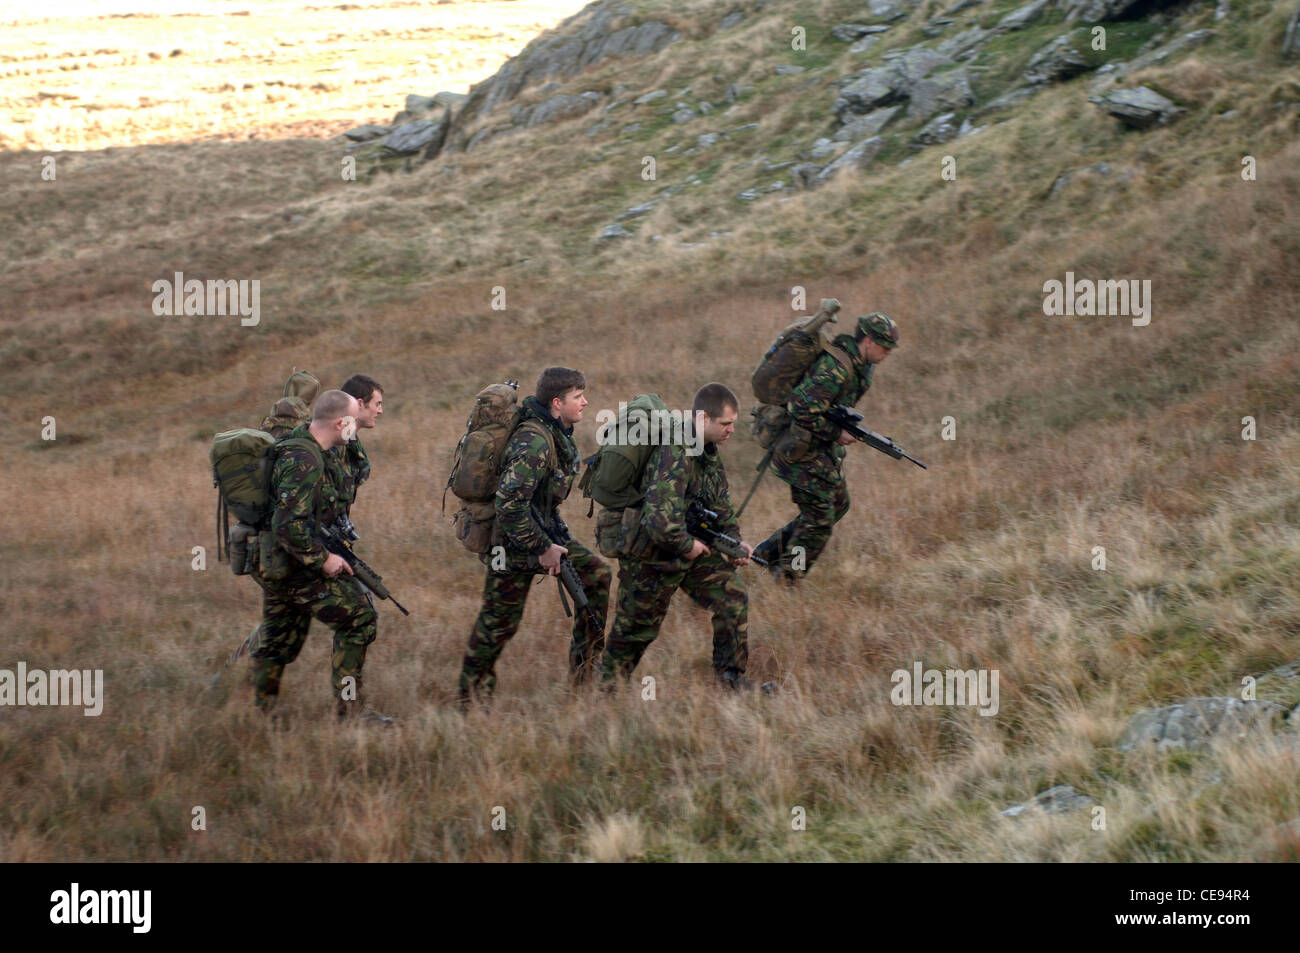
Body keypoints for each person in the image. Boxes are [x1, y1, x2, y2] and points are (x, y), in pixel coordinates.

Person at [598, 383, 771, 692]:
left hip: (689, 545)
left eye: (733, 423)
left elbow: (719, 501)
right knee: (637, 628)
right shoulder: (674, 450)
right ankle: (606, 688)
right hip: (650, 552)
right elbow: (659, 520)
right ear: (704, 418)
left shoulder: (707, 449)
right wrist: (687, 545)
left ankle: (730, 681)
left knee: (731, 598)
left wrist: (733, 542)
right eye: (726, 424)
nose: (732, 430)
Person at [457, 367, 611, 704]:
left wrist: (552, 540)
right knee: (498, 622)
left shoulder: (555, 431)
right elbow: (510, 504)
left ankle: (584, 676)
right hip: (510, 544)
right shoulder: (535, 442)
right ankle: (470, 697)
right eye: (577, 396)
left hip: (542, 532)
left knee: (596, 575)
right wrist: (543, 548)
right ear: (557, 402)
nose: (585, 402)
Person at [248, 389, 391, 725]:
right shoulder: (305, 460)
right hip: (293, 563)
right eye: (352, 424)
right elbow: (287, 525)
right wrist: (323, 559)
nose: (355, 432)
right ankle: (350, 714)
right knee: (359, 618)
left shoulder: (309, 444)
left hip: (276, 564)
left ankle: (261, 712)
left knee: (279, 634)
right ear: (341, 423)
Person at [752, 313, 899, 581]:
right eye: (884, 346)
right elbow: (801, 409)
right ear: (868, 341)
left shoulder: (862, 366)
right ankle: (787, 577)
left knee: (839, 504)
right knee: (819, 519)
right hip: (797, 447)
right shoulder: (836, 369)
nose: (888, 353)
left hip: (818, 447)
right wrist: (836, 432)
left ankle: (768, 552)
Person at [338, 374, 383, 514]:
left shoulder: (347, 439)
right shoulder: (332, 443)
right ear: (360, 404)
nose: (380, 411)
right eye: (377, 404)